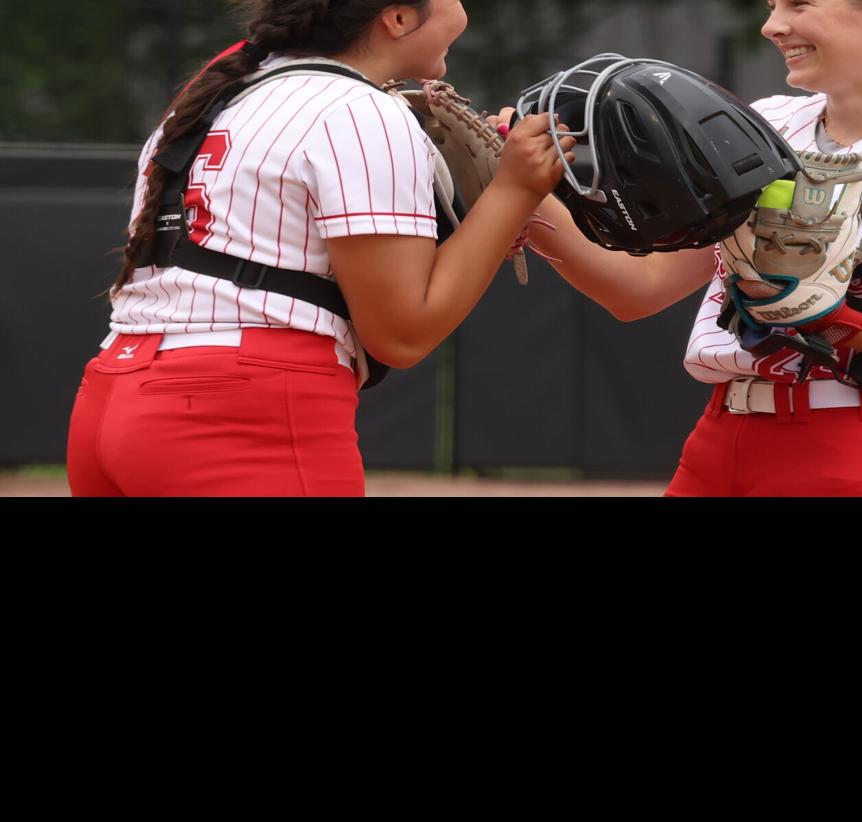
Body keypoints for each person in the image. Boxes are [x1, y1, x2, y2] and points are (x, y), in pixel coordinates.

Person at [507, 0, 862, 497]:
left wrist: (843, 325)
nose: (772, 25)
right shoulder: (767, 124)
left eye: (799, 4)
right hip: (719, 441)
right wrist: (516, 187)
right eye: (772, 6)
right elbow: (636, 290)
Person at [66, 0, 572, 497]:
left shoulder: (220, 93)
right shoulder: (360, 110)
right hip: (237, 415)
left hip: (112, 391)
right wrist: (514, 191)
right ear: (397, 18)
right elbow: (402, 333)